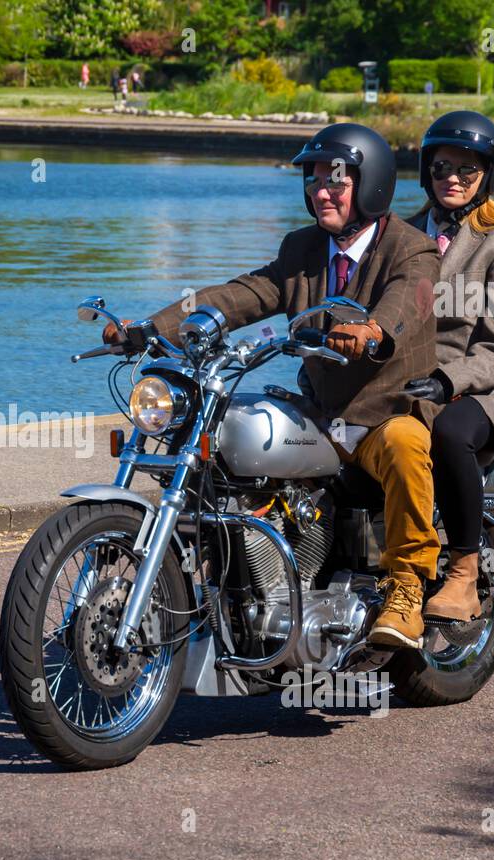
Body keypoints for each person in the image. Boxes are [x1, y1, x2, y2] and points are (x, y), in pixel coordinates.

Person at [106, 123, 442, 649]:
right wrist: (150, 327)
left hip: (385, 413)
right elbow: (241, 294)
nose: (320, 191)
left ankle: (405, 592)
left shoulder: (413, 250)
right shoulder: (303, 249)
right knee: (221, 443)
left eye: (335, 180)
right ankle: (238, 583)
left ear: (370, 184)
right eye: (312, 180)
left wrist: (371, 330)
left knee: (404, 445)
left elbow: (407, 301)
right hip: (321, 414)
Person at [403, 111, 494, 621]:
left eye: (467, 170)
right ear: (426, 171)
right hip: (402, 386)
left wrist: (448, 381)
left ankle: (462, 573)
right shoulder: (396, 234)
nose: (453, 179)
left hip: (482, 393)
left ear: (489, 175)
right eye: (442, 168)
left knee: (449, 434)